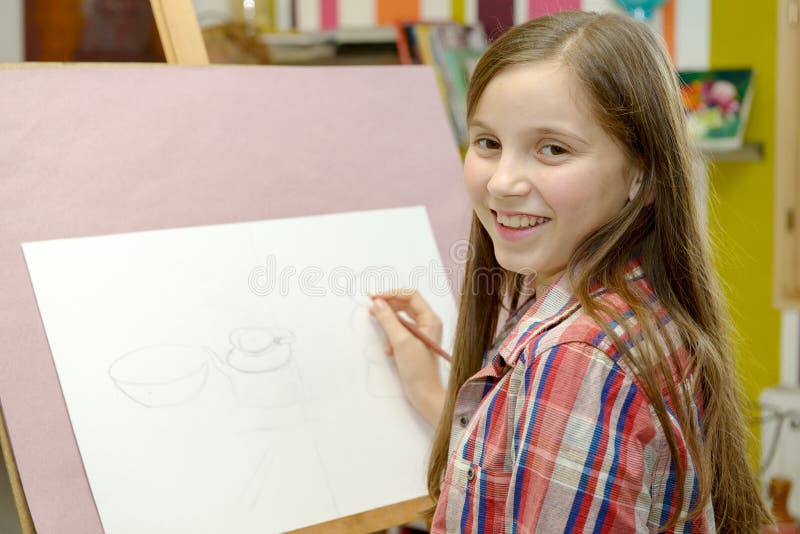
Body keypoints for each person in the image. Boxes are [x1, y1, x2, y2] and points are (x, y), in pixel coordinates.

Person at [369, 10, 772, 533]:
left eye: (552, 149)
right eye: (488, 143)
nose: (502, 183)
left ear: (641, 175)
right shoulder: (629, 308)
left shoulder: (576, 363)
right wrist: (432, 392)